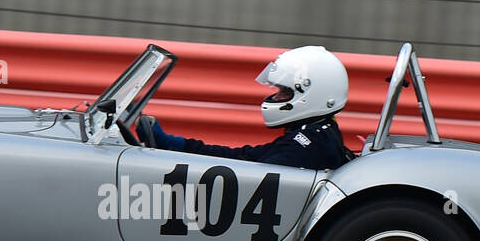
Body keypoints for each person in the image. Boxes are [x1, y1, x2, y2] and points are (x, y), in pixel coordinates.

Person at [143, 45, 354, 170]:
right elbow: (245, 157)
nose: (276, 97)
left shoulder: (306, 145)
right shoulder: (315, 135)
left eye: (284, 92)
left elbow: (255, 174)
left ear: (312, 93)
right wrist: (178, 145)